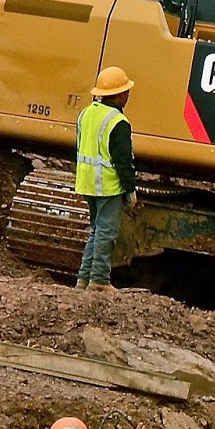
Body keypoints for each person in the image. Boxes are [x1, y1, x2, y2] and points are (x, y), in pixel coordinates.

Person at [75, 66, 137, 292]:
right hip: (107, 185)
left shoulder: (86, 114)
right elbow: (123, 161)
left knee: (95, 230)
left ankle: (84, 279)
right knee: (106, 233)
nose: (128, 96)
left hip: (86, 182)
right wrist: (130, 189)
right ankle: (99, 280)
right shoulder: (117, 122)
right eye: (126, 92)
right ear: (119, 94)